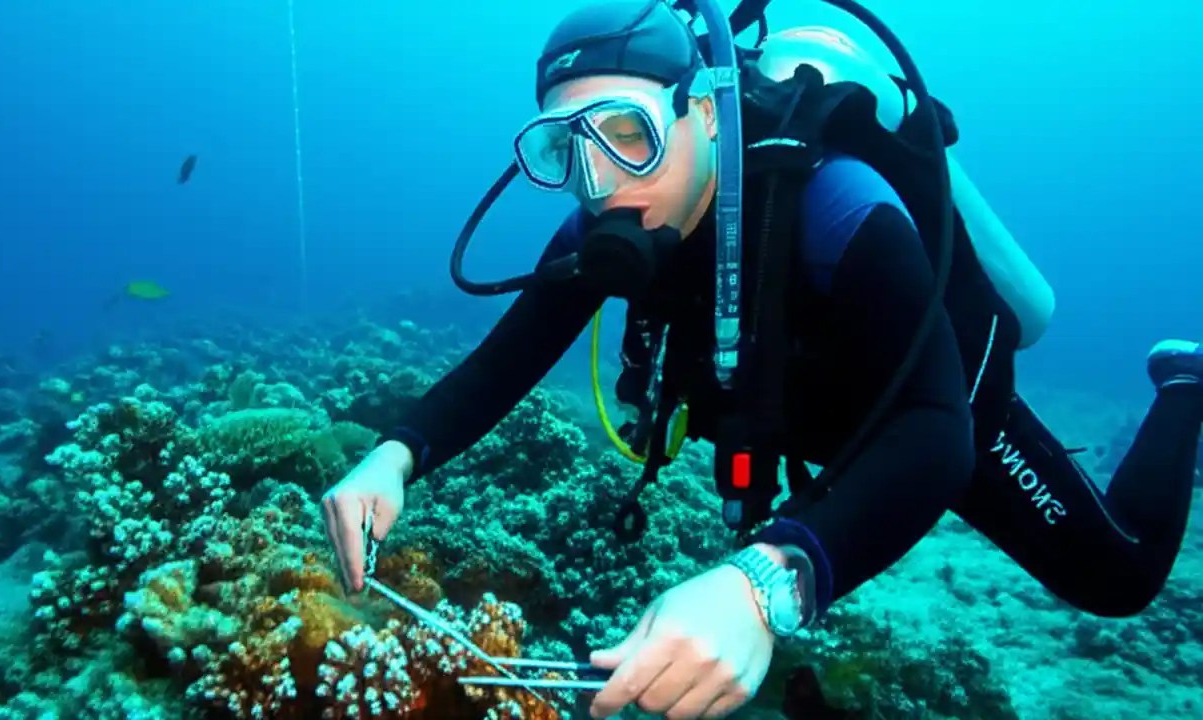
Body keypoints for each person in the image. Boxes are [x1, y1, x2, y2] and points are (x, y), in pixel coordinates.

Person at [321, 1, 1203, 718]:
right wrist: (393, 457)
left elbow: (938, 434)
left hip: (931, 409)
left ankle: (1185, 382)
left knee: (1119, 579)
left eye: (627, 132)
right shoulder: (605, 220)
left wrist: (765, 585)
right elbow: (501, 363)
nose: (601, 180)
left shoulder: (835, 202)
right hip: (819, 433)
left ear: (701, 111)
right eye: (566, 147)